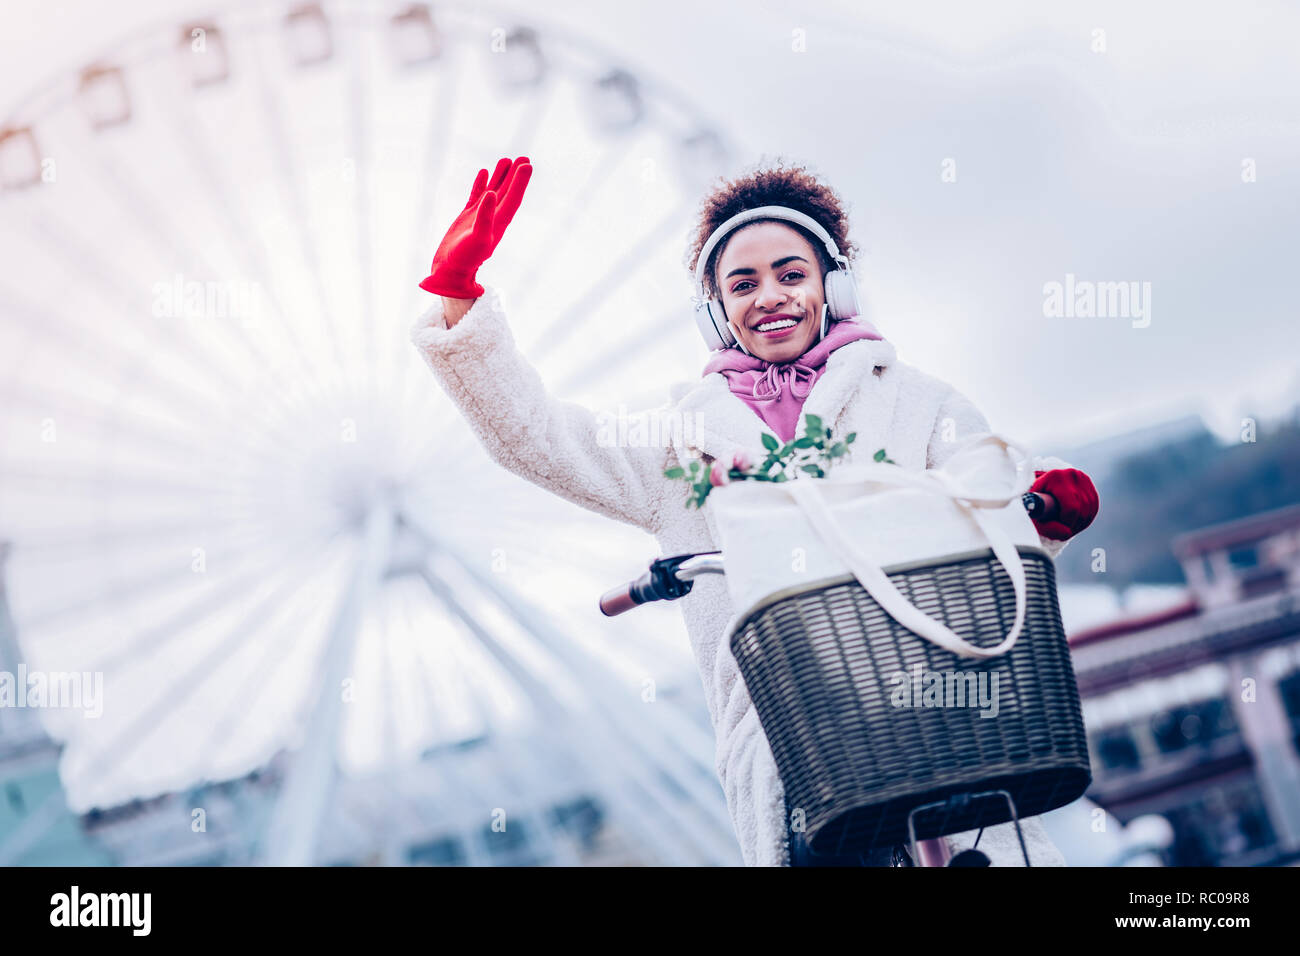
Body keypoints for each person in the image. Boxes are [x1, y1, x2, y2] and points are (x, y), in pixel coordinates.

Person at [410, 156, 1100, 866]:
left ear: (835, 285)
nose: (769, 295)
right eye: (743, 284)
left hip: (939, 710)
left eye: (791, 274)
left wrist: (1043, 516)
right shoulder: (679, 438)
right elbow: (542, 440)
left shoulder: (920, 403)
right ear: (715, 312)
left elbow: (988, 510)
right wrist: (461, 304)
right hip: (794, 752)